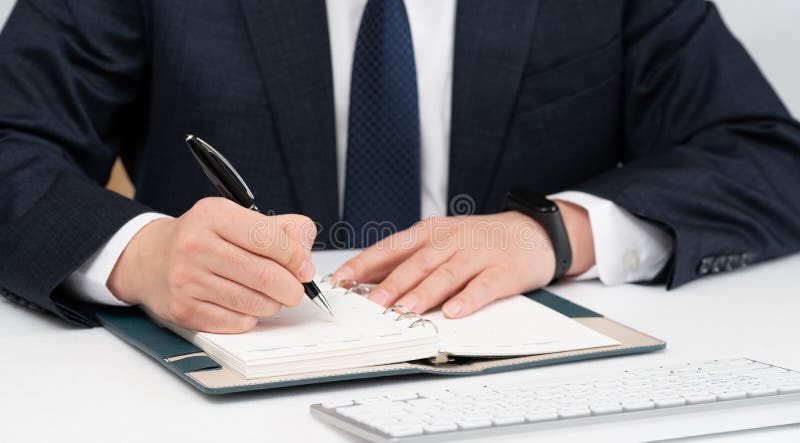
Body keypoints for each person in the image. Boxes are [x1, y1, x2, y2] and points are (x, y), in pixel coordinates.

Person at [1, 0, 798, 333]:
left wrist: (556, 233)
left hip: (535, 396)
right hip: (219, 385)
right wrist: (139, 256)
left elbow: (767, 156)